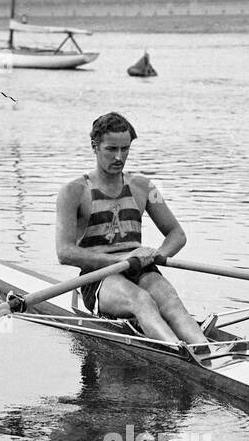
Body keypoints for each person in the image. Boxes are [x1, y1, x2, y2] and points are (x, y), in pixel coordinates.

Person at [55, 112, 208, 349]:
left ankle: (206, 350)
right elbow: (64, 253)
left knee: (171, 301)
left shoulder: (142, 186)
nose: (119, 157)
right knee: (142, 301)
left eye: (125, 149)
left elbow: (176, 234)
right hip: (98, 278)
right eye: (111, 149)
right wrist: (121, 258)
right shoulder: (74, 191)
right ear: (94, 147)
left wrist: (158, 254)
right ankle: (180, 352)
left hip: (139, 267)